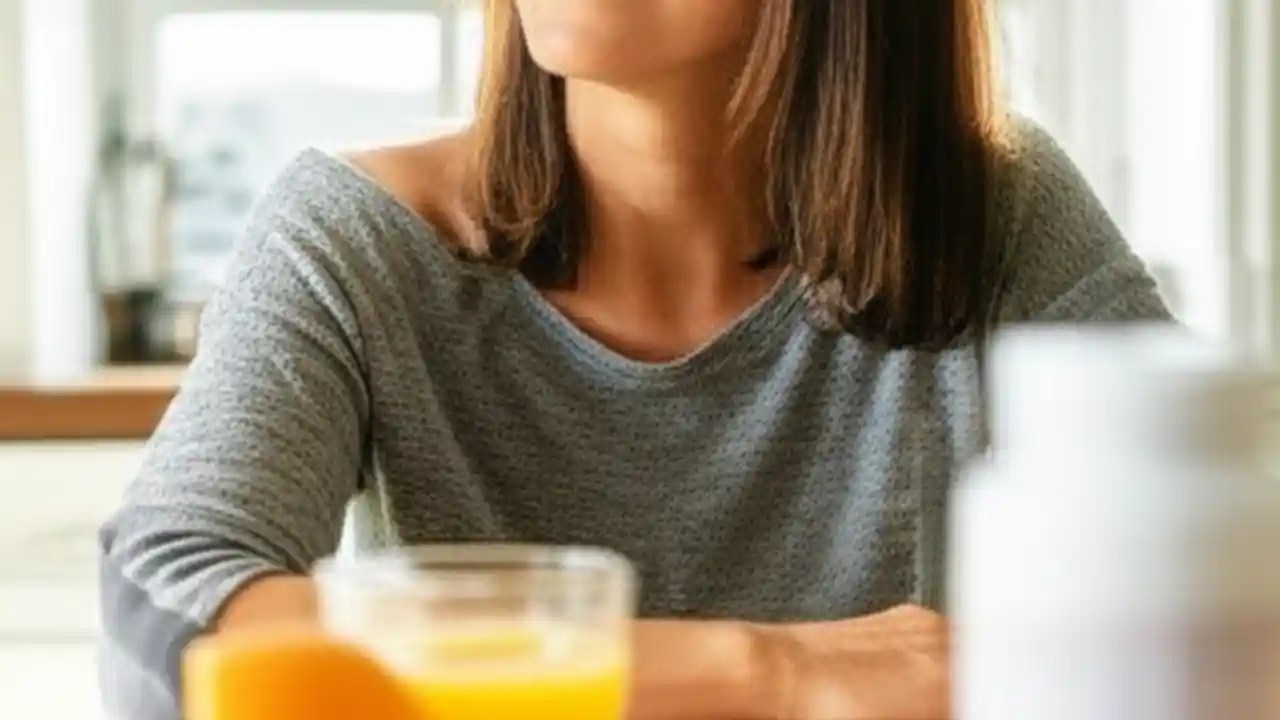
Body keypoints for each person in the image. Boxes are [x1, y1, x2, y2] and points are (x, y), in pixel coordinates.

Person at [99, 0, 1170, 717]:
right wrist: (768, 671)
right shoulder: (355, 240)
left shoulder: (993, 216)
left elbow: (1224, 563)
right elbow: (172, 616)